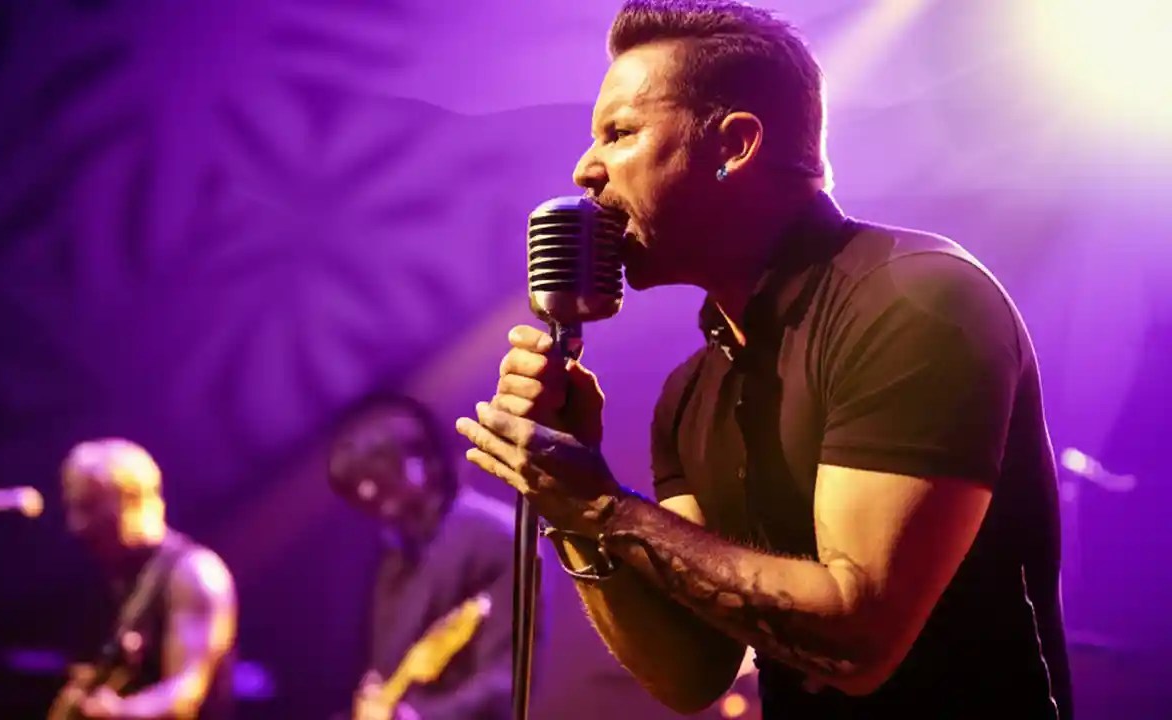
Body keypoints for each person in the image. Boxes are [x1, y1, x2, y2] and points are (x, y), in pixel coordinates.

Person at [454, 1, 1072, 718]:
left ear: (734, 145)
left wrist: (603, 505)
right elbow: (691, 672)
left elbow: (857, 640)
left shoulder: (915, 300)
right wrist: (574, 508)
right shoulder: (693, 391)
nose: (585, 169)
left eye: (618, 133)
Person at [326, 392, 528, 720]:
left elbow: (508, 679)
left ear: (422, 459)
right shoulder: (395, 559)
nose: (367, 494)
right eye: (358, 488)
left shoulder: (495, 536)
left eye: (379, 477)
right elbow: (386, 668)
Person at [50, 438, 238, 719]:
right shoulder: (123, 577)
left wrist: (118, 713)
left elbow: (184, 694)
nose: (78, 525)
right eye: (74, 508)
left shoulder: (194, 574)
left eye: (90, 507)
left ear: (132, 501)